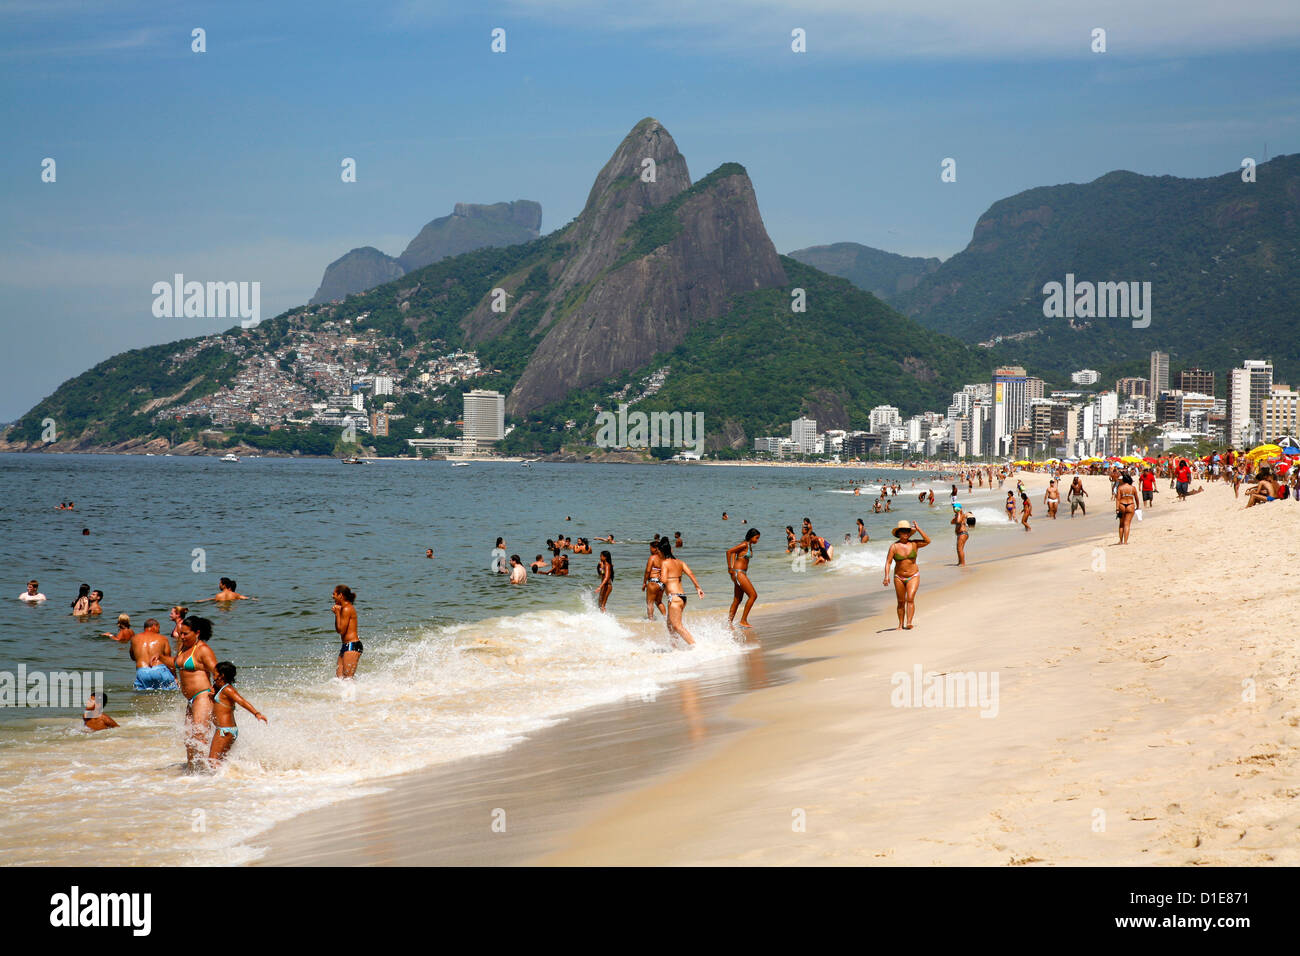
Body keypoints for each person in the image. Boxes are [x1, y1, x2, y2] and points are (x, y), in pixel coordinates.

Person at [157, 615, 219, 770]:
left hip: (202, 696)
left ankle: (211, 770)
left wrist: (216, 690)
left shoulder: (203, 650)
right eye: (181, 633)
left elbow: (217, 672)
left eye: (185, 634)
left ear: (197, 632)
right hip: (191, 699)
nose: (182, 636)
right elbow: (177, 663)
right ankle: (192, 772)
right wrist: (161, 658)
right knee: (188, 739)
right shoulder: (184, 647)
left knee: (199, 735)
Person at [208, 662, 267, 765]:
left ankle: (220, 779)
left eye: (214, 674)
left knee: (212, 761)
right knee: (219, 761)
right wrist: (213, 697)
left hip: (224, 731)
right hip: (226, 730)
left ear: (221, 676)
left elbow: (242, 701)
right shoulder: (222, 689)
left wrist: (256, 713)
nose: (213, 676)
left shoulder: (228, 689)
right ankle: (230, 778)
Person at [883, 520, 930, 630]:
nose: (905, 533)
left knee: (910, 598)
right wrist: (886, 576)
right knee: (900, 602)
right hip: (899, 577)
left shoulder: (914, 544)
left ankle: (909, 622)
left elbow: (928, 541)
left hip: (913, 575)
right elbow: (888, 562)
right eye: (903, 531)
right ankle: (900, 624)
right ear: (898, 533)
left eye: (907, 531)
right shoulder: (894, 547)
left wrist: (918, 529)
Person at [658, 540, 704, 647]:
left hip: (674, 598)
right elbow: (690, 574)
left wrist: (658, 577)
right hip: (682, 597)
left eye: (658, 552)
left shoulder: (664, 563)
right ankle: (675, 647)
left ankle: (696, 646)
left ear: (661, 552)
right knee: (670, 625)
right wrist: (698, 588)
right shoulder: (680, 562)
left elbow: (664, 580)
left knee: (677, 626)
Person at [130, 618, 177, 691]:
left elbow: (133, 657)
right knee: (173, 692)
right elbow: (168, 660)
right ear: (154, 626)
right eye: (159, 628)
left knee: (143, 696)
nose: (159, 631)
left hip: (142, 671)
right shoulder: (163, 638)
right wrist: (175, 677)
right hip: (159, 670)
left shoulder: (134, 638)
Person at [726, 528, 760, 628]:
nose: (757, 540)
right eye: (756, 538)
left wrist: (732, 568)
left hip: (740, 573)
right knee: (753, 595)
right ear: (751, 536)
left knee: (737, 599)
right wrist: (730, 568)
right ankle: (743, 620)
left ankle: (729, 623)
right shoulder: (744, 544)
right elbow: (729, 552)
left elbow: (734, 554)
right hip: (739, 573)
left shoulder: (748, 545)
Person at [332, 585, 361, 678]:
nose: (332, 596)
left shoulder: (347, 609)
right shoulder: (343, 609)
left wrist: (337, 614)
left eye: (334, 594)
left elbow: (341, 630)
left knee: (348, 679)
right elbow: (339, 629)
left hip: (352, 646)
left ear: (340, 595)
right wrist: (337, 613)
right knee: (339, 678)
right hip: (345, 646)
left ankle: (358, 692)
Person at [642, 541, 666, 619]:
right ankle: (666, 618)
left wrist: (644, 582)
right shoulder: (664, 558)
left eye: (651, 548)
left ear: (655, 549)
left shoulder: (652, 558)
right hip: (662, 583)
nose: (650, 550)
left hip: (653, 582)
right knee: (659, 602)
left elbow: (648, 571)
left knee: (650, 603)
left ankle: (650, 620)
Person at [1115, 472, 1139, 544]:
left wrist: (1117, 508)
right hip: (1130, 504)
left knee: (1121, 524)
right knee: (1127, 524)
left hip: (1122, 504)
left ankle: (1120, 541)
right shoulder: (1133, 488)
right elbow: (1136, 498)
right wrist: (1138, 506)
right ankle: (1125, 541)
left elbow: (1118, 499)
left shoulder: (1120, 488)